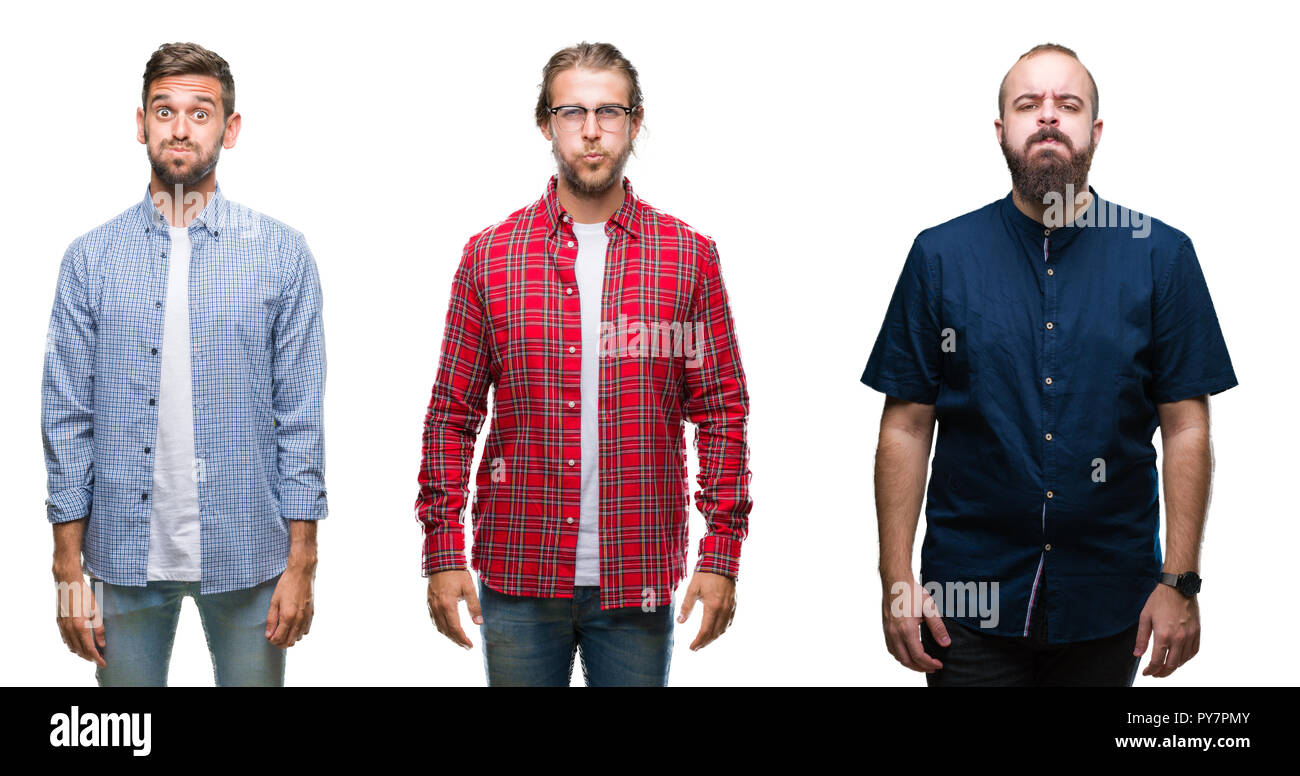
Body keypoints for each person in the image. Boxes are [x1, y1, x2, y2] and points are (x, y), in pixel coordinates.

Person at [862, 43, 1236, 686]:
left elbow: (1186, 427)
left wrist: (1180, 580)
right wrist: (896, 578)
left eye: (1068, 104)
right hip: (966, 605)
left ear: (1094, 131)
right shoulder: (940, 256)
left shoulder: (1162, 257)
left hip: (1111, 599)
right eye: (1027, 104)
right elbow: (905, 426)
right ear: (1001, 129)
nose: (1047, 117)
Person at [416, 41, 752, 686]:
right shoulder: (491, 258)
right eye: (572, 112)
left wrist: (722, 554)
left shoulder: (688, 257)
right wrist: (440, 549)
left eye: (610, 112)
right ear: (546, 124)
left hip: (638, 575)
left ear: (636, 120)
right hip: (518, 570)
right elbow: (451, 416)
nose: (592, 132)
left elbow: (721, 413)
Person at [42, 42, 327, 686]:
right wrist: (66, 575)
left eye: (201, 113)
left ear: (230, 130)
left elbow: (300, 418)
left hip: (252, 554)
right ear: (140, 124)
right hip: (120, 555)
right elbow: (65, 419)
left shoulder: (279, 255)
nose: (179, 127)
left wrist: (303, 562)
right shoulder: (89, 261)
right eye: (164, 110)